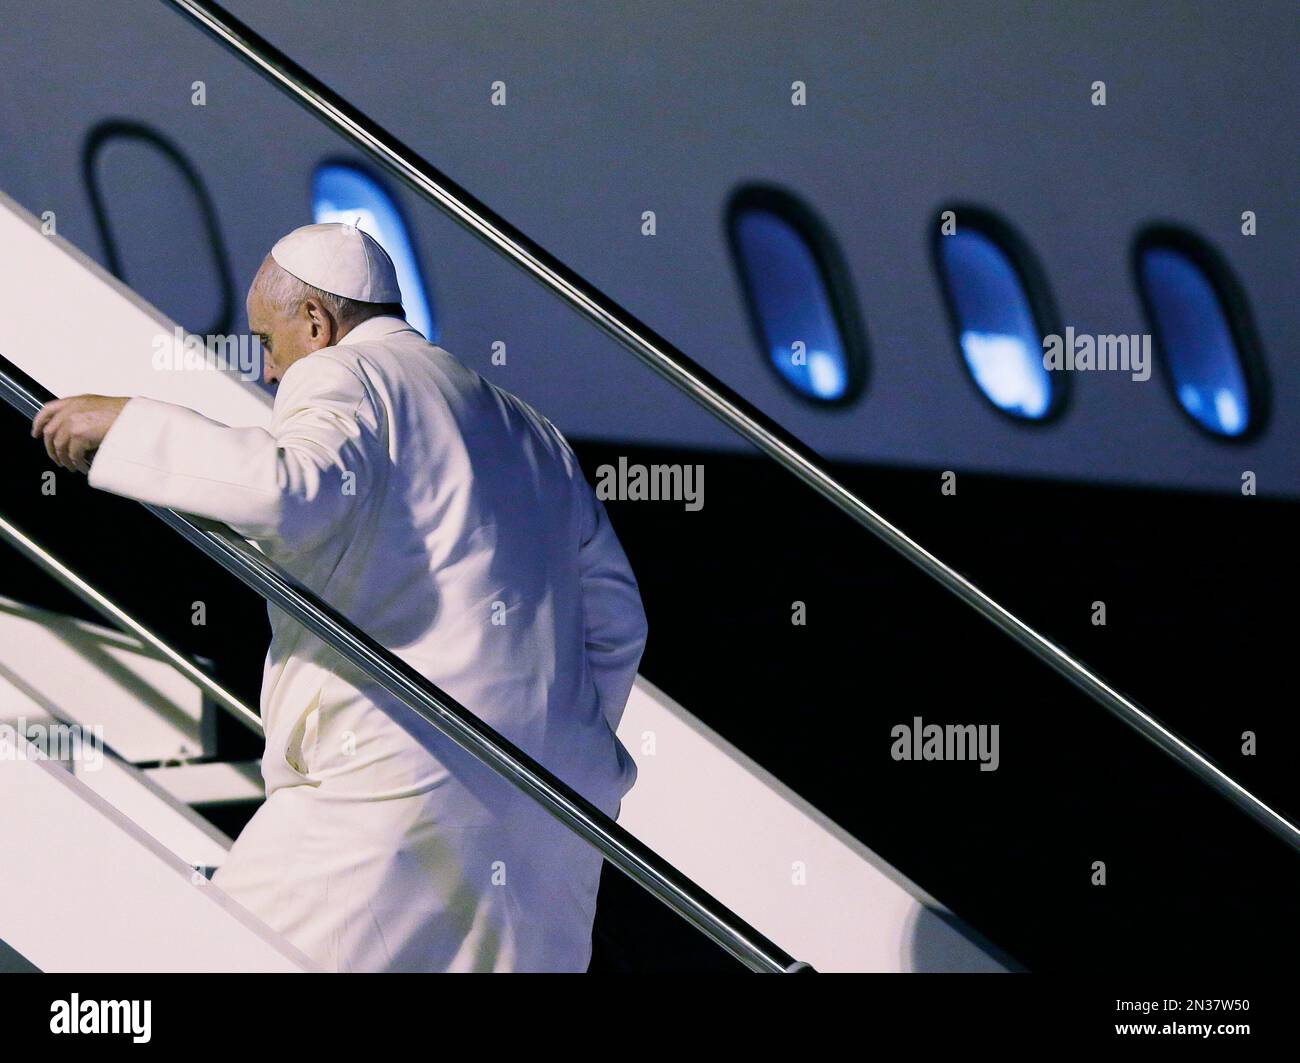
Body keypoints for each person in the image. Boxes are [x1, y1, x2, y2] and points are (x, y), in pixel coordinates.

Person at [31, 222, 647, 972]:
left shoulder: (346, 375)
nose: (265, 369)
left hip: (392, 779)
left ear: (316, 322)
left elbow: (289, 489)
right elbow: (616, 622)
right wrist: (549, 737)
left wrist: (126, 425)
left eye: (267, 339)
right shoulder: (530, 428)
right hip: (555, 814)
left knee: (223, 958)